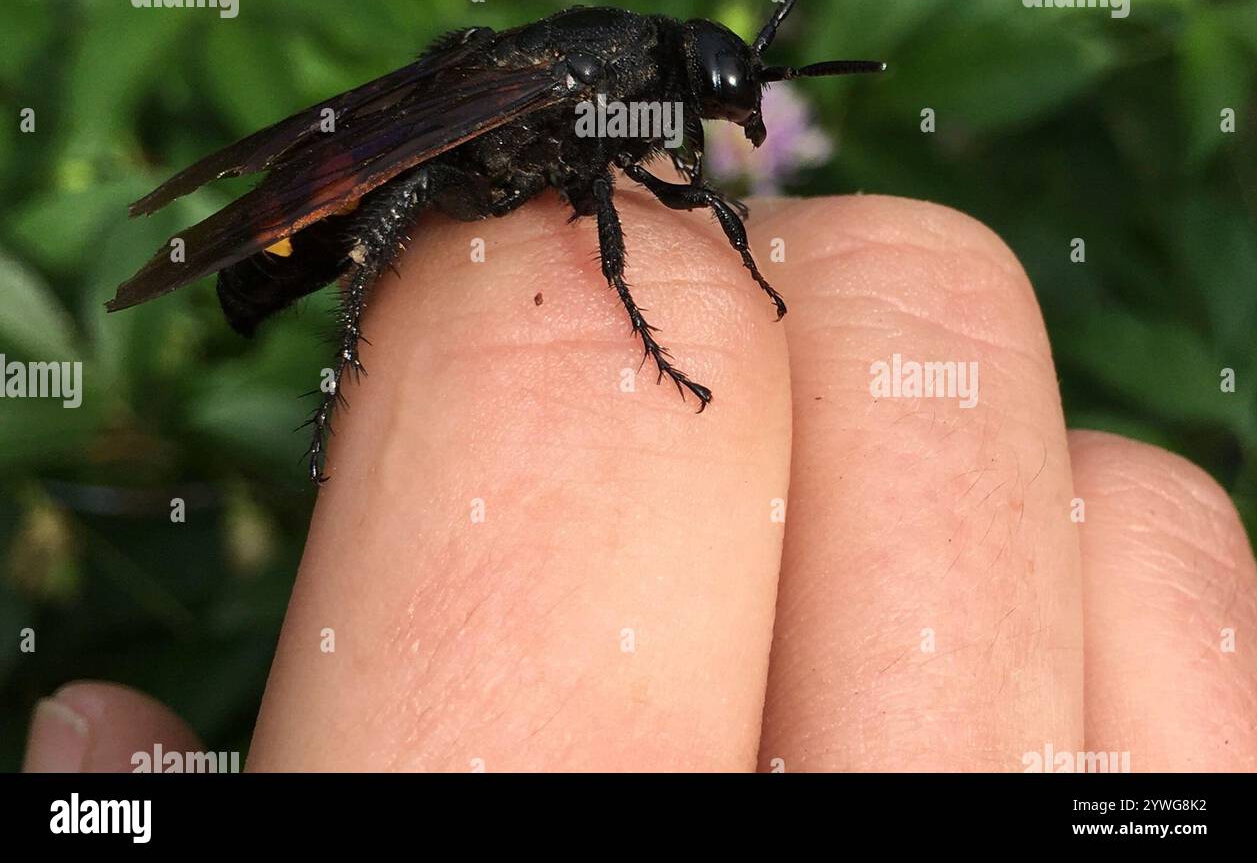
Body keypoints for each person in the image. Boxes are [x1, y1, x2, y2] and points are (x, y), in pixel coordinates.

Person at [23, 194, 1257, 772]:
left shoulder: (612, 114)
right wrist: (642, 315)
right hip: (328, 216)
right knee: (428, 222)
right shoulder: (579, 111)